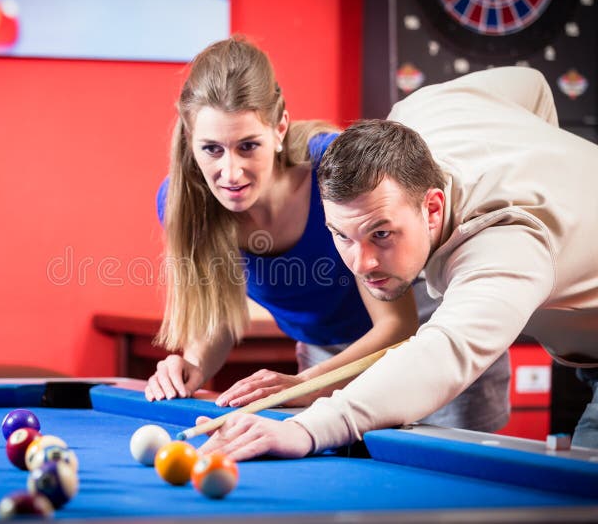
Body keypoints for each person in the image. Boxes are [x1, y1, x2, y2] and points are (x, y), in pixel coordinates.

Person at [198, 66, 598, 461]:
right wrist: (555, 167)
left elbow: (443, 355)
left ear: (433, 208)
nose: (362, 263)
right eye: (341, 235)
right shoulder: (423, 112)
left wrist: (305, 428)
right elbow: (531, 84)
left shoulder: (505, 243)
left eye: (381, 234)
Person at [146, 36, 511, 434]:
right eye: (212, 149)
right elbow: (219, 316)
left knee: (445, 469)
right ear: (190, 139)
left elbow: (396, 325)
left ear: (279, 128)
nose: (230, 172)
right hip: (325, 355)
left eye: (248, 146)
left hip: (428, 335)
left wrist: (307, 383)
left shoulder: (334, 170)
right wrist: (193, 363)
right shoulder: (185, 203)